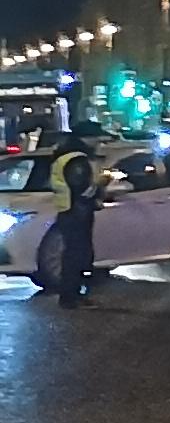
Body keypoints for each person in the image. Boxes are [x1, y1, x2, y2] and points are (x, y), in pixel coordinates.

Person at [38, 121, 103, 307]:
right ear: (86, 138)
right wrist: (100, 187)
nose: (99, 142)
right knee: (76, 256)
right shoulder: (77, 160)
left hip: (68, 210)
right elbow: (83, 189)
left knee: (73, 255)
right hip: (77, 212)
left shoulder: (65, 155)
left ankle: (72, 295)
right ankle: (70, 297)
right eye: (97, 137)